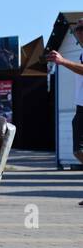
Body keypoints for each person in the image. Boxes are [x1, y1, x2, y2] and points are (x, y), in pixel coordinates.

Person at [47, 21, 83, 204]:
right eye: (76, 32)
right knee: (78, 151)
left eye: (80, 32)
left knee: (80, 150)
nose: (78, 36)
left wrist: (62, 61)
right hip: (81, 106)